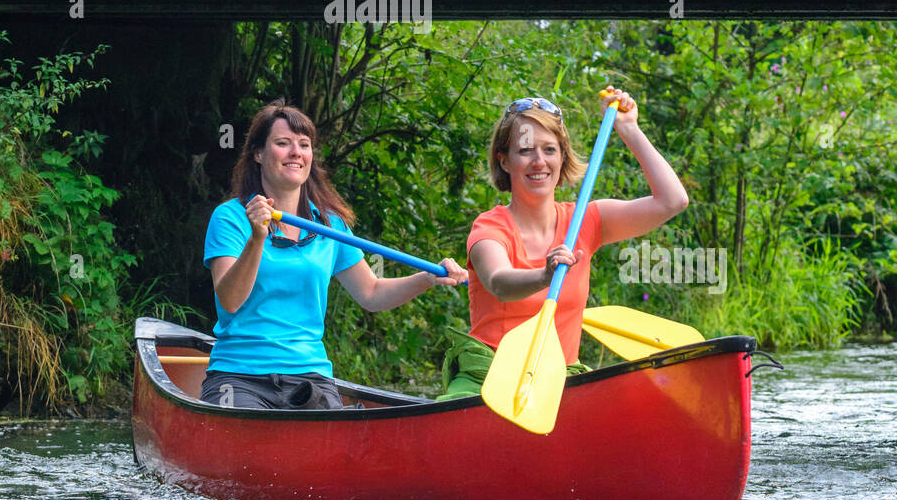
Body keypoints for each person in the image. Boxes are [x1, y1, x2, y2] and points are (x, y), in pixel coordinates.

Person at [202, 99, 468, 409]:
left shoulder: (330, 224)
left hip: (309, 375)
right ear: (259, 154)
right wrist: (257, 238)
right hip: (239, 376)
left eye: (304, 145)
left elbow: (371, 293)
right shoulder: (231, 217)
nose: (296, 153)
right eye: (283, 143)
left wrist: (428, 278)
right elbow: (230, 301)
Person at [440, 86, 689, 398]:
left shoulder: (585, 221)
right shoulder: (490, 226)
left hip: (561, 380)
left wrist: (629, 129)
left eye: (549, 149)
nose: (539, 161)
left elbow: (672, 201)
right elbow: (499, 282)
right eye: (525, 150)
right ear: (505, 161)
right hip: (488, 376)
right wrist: (545, 276)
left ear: (562, 156)